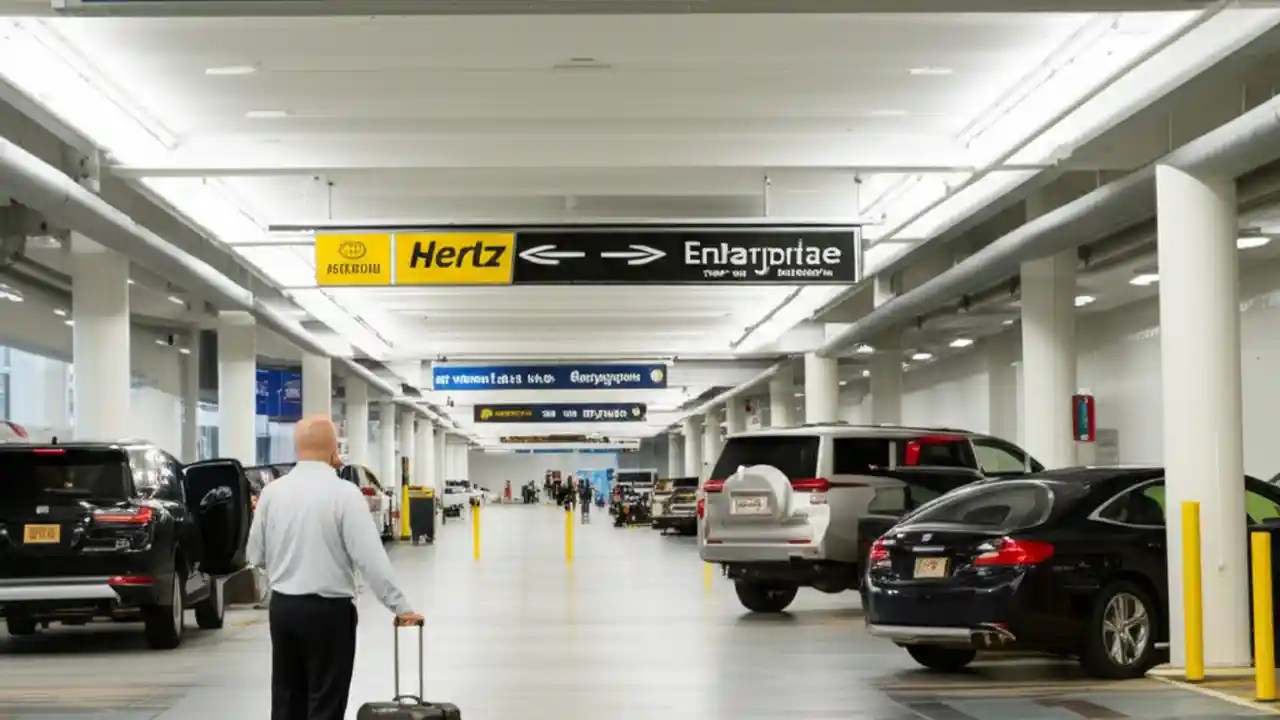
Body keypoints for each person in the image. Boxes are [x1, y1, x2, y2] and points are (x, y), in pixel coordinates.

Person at [247, 415, 424, 720]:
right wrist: (401, 608)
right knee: (326, 703)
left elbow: (255, 554)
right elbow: (370, 559)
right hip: (330, 614)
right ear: (335, 451)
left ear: (297, 448)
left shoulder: (272, 493)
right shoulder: (345, 494)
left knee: (286, 700)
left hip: (284, 610)